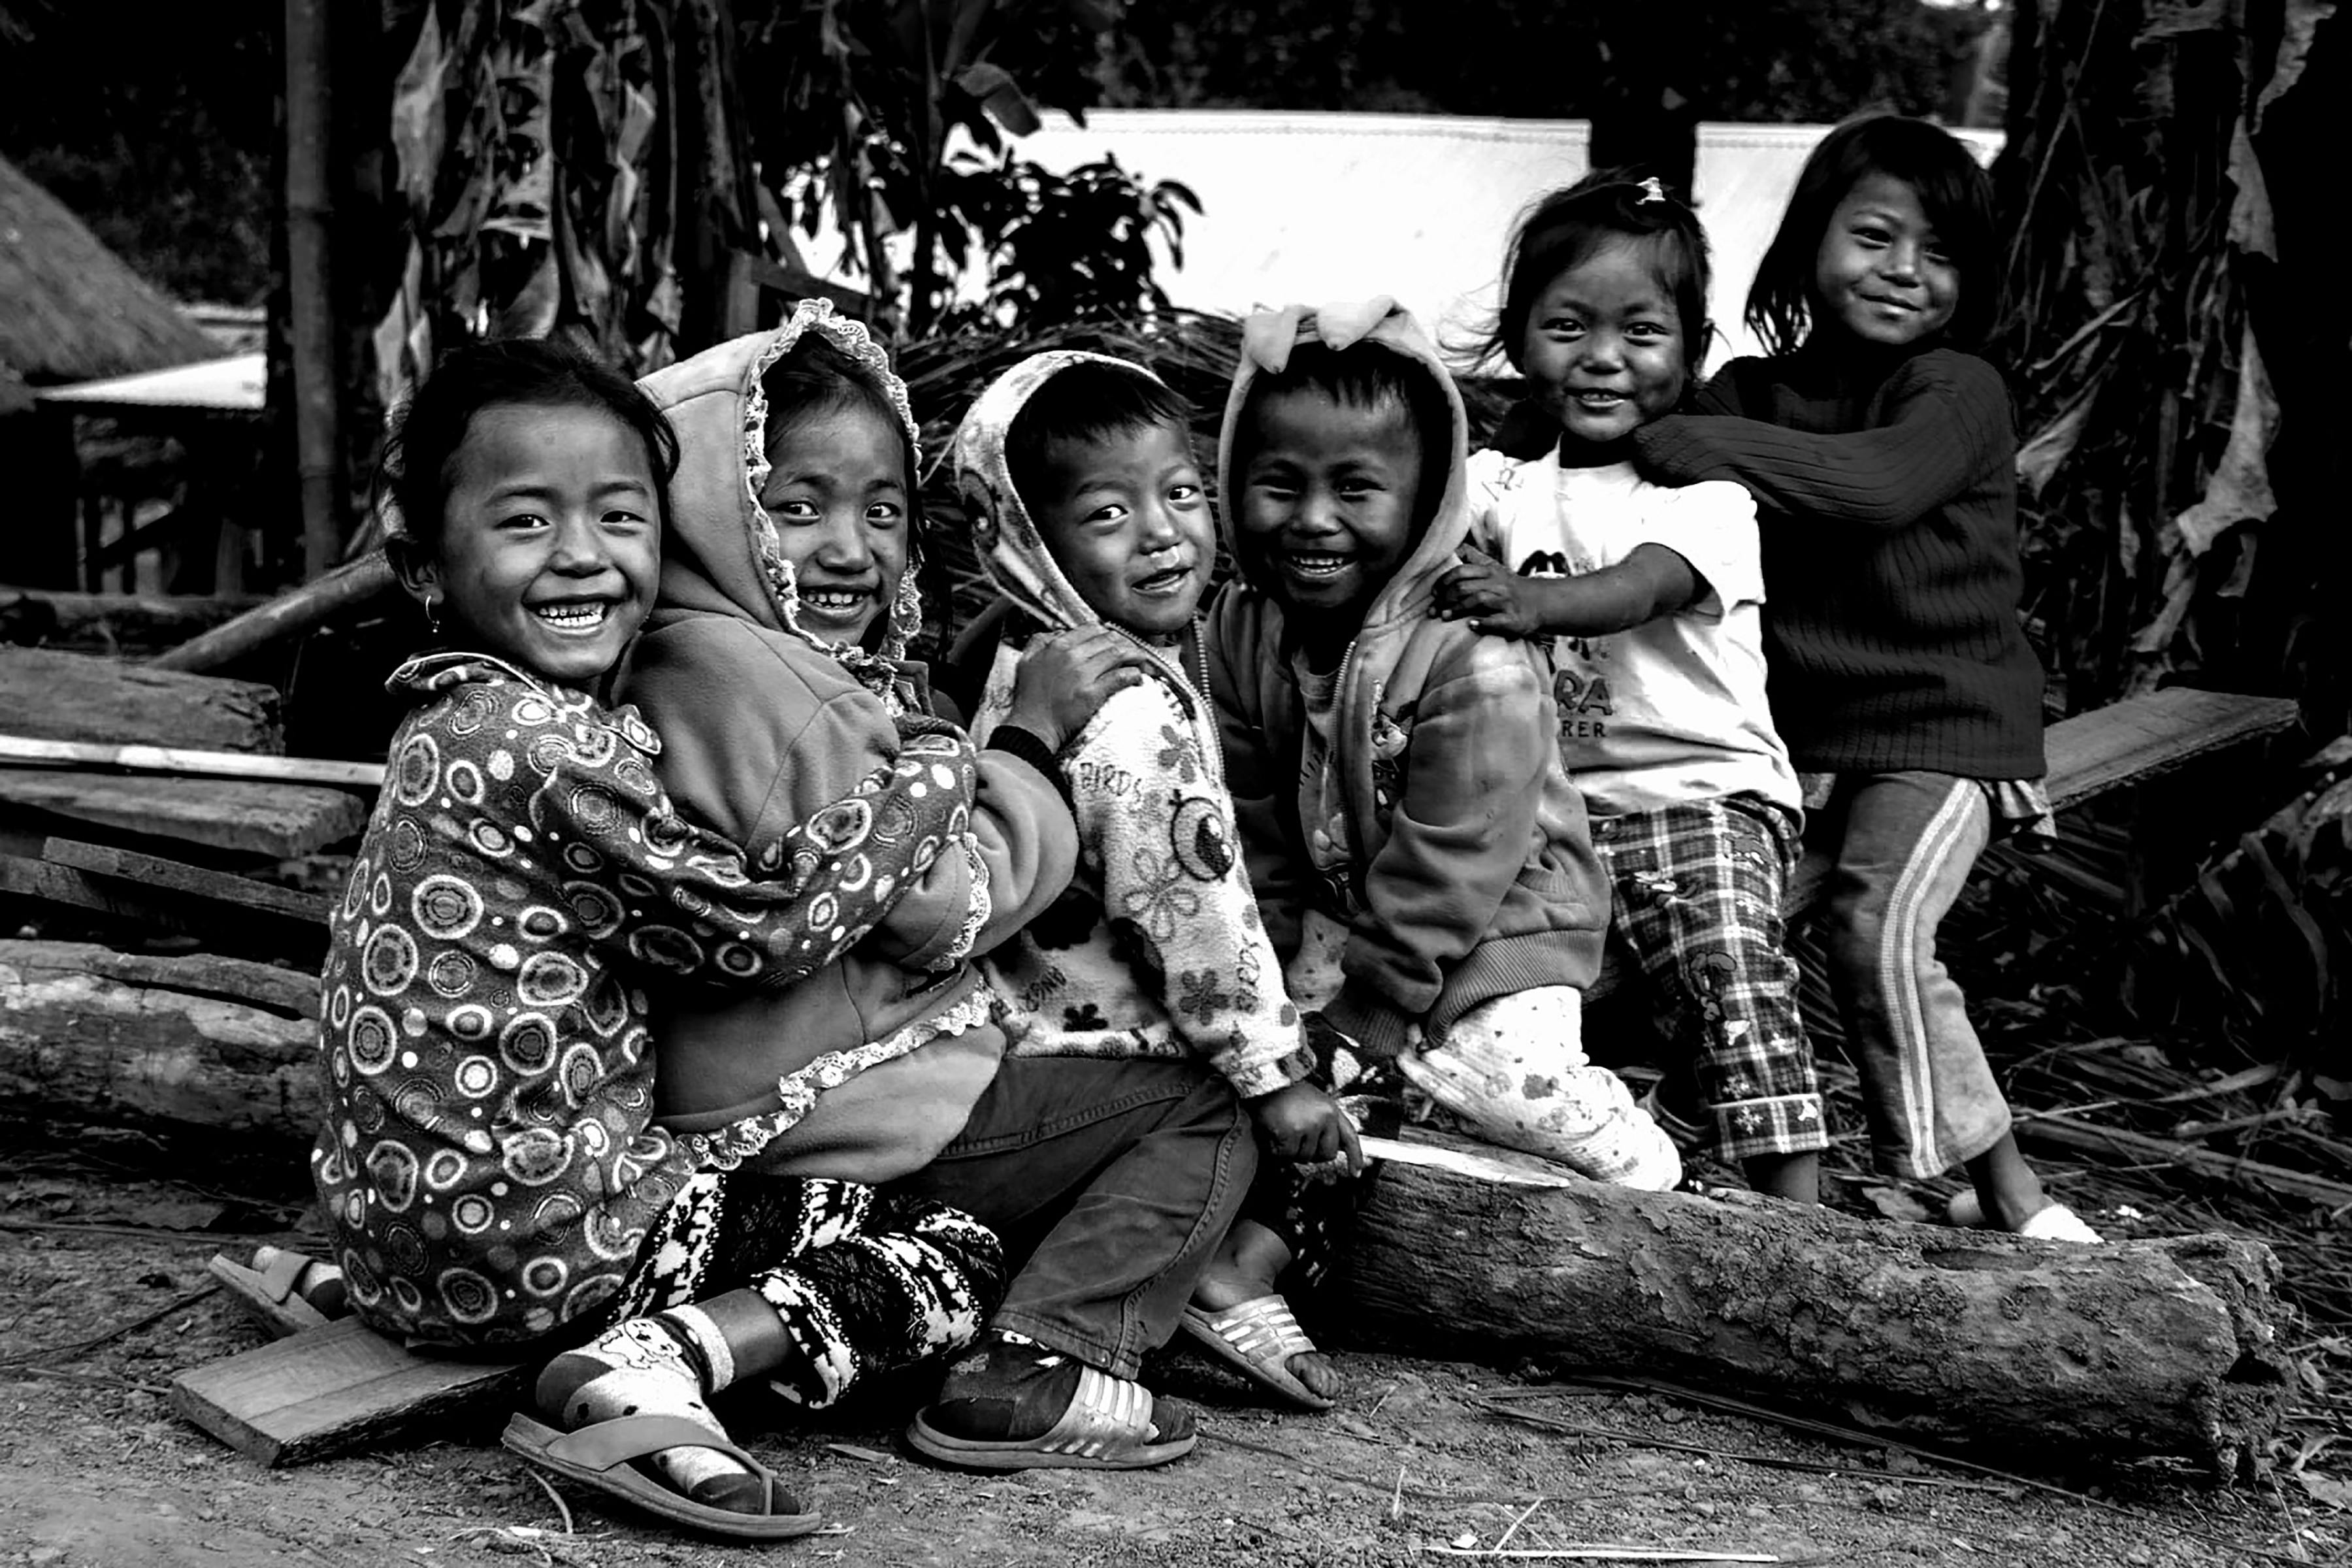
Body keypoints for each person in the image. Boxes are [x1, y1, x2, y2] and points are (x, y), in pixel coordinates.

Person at [316, 338, 1007, 1540]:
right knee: (952, 1249)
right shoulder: (548, 750)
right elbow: (775, 930)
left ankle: (575, 1327)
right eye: (528, 522)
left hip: (395, 1257)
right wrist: (938, 771)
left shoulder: (446, 722)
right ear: (425, 568)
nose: (583, 555)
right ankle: (654, 1368)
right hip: (551, 1251)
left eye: (621, 517)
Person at [618, 299, 1258, 1472]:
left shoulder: (703, 655)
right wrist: (1020, 743)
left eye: (882, 511)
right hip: (835, 1106)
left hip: (763, 1080)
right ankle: (1052, 1359)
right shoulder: (773, 688)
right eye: (797, 509)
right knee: (1200, 1110)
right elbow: (943, 902)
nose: (851, 548)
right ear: (707, 505)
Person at [1632, 114, 2100, 1241]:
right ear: (1809, 244)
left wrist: (1710, 446)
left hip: (1941, 731)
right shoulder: (1749, 392)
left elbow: (1877, 485)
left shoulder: (1957, 390)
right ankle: (1627, 1147)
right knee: (1693, 931)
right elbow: (1635, 448)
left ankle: (2008, 1194)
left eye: (1939, 254)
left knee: (1874, 921)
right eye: (1876, 238)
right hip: (1790, 751)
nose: (1905, 273)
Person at [949, 350, 1364, 1413]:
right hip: (1095, 1054)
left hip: (1015, 1041)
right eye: (1107, 514)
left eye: (1180, 493)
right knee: (1254, 1105)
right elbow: (1192, 918)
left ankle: (1207, 1273)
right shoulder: (1132, 708)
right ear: (1032, 540)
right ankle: (1077, 1339)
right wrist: (1276, 1077)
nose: (1162, 531)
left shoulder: (1016, 665)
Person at [1203, 298, 1680, 1190]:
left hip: (1499, 922)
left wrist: (1368, 1017)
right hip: (1347, 909)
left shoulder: (1472, 654)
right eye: (1278, 485)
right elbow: (1251, 816)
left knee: (1504, 1087)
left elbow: (1458, 859)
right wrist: (1258, 965)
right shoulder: (1239, 628)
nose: (1312, 518)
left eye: (1355, 489)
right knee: (1267, 1063)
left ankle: (1651, 1171)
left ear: (1425, 504)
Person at [1433, 173, 1826, 1205]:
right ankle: (1576, 1167)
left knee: (1733, 967)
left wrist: (1525, 601)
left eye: (1642, 331)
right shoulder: (1502, 483)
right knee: (1472, 976)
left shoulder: (1707, 497)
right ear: (1520, 339)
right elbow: (1417, 517)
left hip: (1703, 797)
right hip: (1555, 813)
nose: (1604, 356)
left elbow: (1638, 588)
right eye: (1568, 325)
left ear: (1692, 347)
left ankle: (1802, 1220)